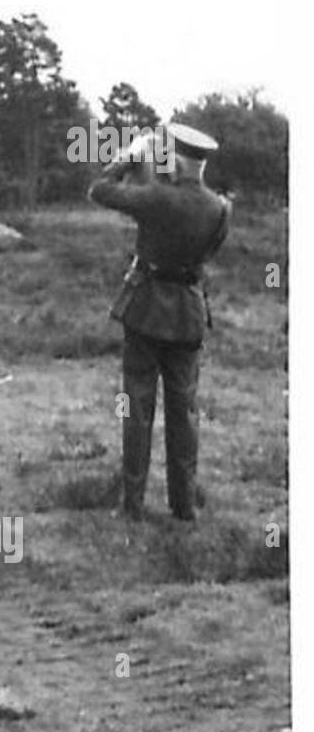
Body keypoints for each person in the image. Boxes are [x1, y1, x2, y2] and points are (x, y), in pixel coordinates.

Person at [89, 123, 231, 521]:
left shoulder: (155, 196)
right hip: (188, 313)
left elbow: (98, 190)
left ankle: (132, 504)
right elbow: (208, 255)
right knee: (184, 411)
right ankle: (183, 506)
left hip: (146, 309)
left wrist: (130, 157)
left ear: (176, 161)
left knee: (136, 406)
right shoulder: (220, 208)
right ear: (200, 166)